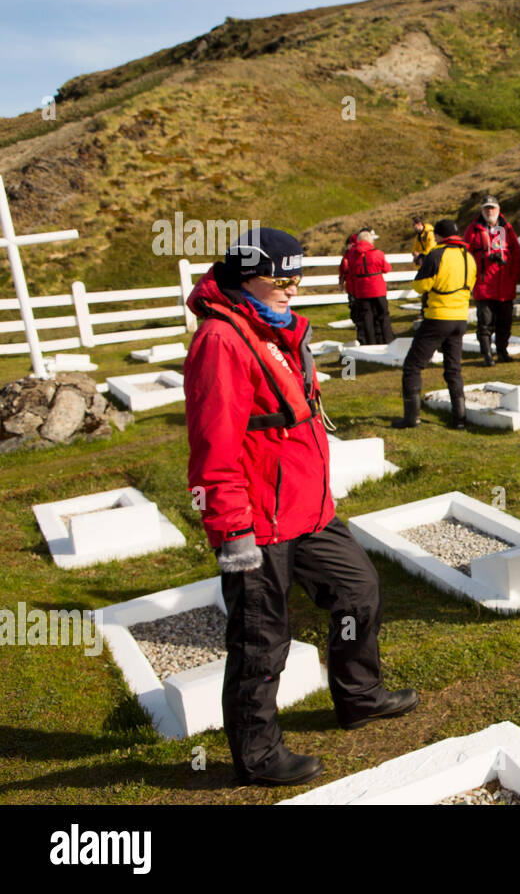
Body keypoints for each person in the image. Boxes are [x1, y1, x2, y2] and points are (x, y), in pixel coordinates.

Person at [183, 228, 418, 788]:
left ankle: (359, 696)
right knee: (260, 640)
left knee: (358, 591)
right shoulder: (221, 340)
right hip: (256, 523)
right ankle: (257, 755)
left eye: (298, 276)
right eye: (281, 278)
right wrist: (232, 530)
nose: (293, 288)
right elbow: (212, 450)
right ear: (246, 277)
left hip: (308, 512)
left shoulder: (274, 328)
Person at [394, 218, 476, 429]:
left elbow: (420, 286)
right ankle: (460, 419)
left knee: (412, 366)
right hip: (460, 318)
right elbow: (472, 283)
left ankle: (412, 418)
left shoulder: (436, 254)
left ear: (438, 236)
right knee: (453, 369)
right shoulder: (469, 257)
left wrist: (423, 266)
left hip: (438, 317)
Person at [465, 195, 520, 366]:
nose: (490, 211)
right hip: (484, 286)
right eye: (486, 208)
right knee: (485, 323)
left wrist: (514, 277)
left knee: (505, 322)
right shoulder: (473, 230)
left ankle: (502, 351)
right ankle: (487, 355)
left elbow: (517, 255)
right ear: (482, 210)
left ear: (498, 209)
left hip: (505, 285)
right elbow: (465, 254)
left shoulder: (506, 228)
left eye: (492, 208)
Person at [341, 228, 393, 345]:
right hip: (377, 289)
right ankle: (388, 339)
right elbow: (386, 268)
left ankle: (370, 342)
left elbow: (351, 272)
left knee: (366, 317)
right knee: (383, 315)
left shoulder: (353, 256)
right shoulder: (378, 254)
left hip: (361, 290)